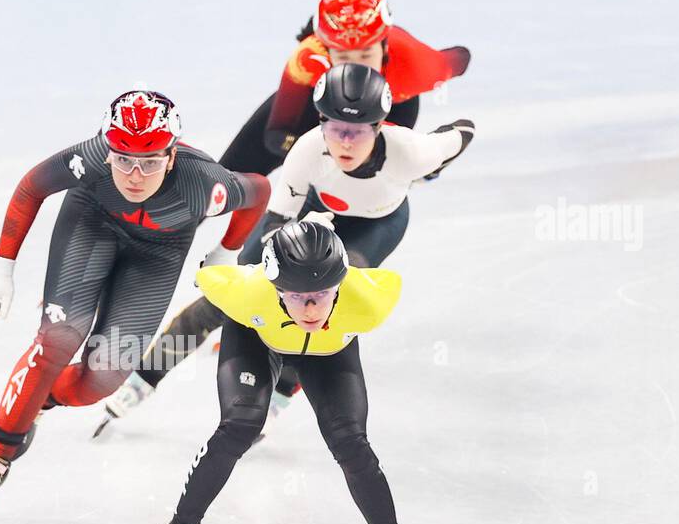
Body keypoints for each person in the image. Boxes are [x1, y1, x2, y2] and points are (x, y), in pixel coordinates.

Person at [96, 63, 474, 436]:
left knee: (328, 300)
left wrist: (434, 166)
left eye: (357, 131)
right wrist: (260, 274)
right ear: (321, 122)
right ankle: (146, 376)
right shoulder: (308, 150)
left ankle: (279, 395)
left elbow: (464, 131)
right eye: (334, 127)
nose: (344, 141)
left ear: (379, 127)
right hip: (313, 211)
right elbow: (276, 222)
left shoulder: (412, 152)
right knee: (231, 290)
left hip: (376, 226)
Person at [0, 90, 271, 524]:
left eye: (150, 162)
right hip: (91, 224)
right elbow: (31, 187)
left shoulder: (206, 185)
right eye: (122, 159)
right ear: (108, 148)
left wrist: (227, 250)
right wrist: (1, 269)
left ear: (173, 156)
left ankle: (39, 398)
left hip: (157, 255)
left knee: (100, 381)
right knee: (55, 341)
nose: (135, 176)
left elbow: (261, 190)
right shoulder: (90, 158)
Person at [143, 219, 442, 524]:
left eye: (322, 294)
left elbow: (384, 282)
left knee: (351, 441)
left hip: (330, 352)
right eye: (298, 296)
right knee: (240, 425)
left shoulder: (368, 302)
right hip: (256, 336)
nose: (312, 308)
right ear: (274, 286)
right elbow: (207, 276)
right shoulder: (246, 291)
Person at [220, 0, 471, 177]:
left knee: (368, 174)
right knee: (223, 177)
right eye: (342, 55)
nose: (354, 66)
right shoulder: (309, 59)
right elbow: (275, 136)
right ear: (326, 50)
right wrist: (318, 150)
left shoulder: (415, 66)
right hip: (319, 99)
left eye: (365, 54)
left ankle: (428, 158)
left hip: (391, 108)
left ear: (384, 49)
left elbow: (461, 57)